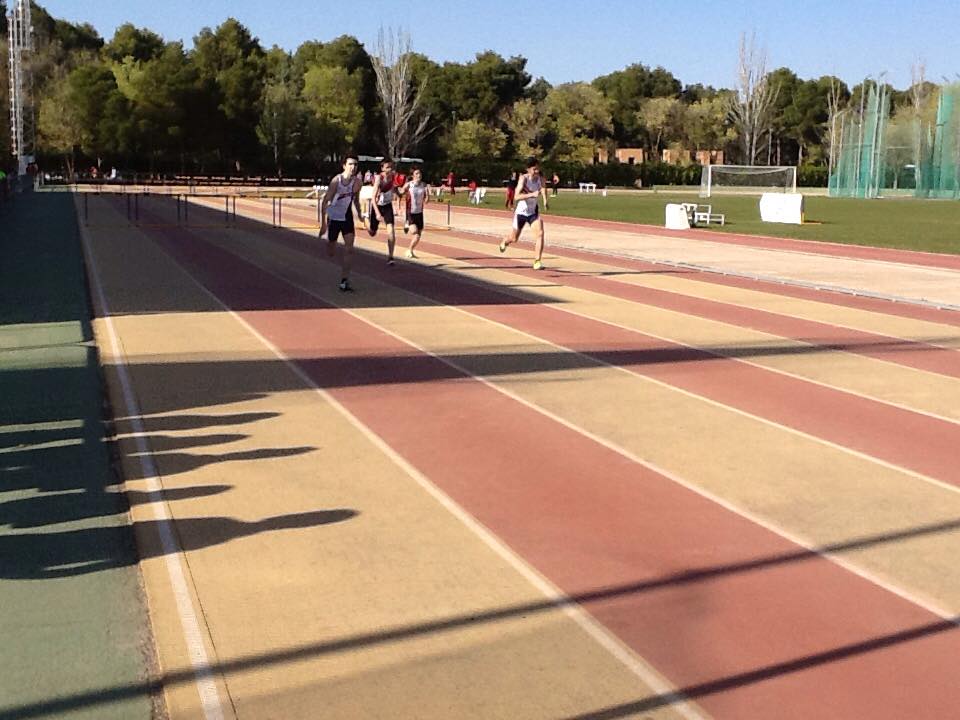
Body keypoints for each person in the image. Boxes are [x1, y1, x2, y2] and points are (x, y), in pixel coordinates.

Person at [318, 155, 363, 292]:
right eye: (350, 164)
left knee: (349, 249)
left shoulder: (357, 183)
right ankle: (330, 242)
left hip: (346, 217)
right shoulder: (336, 181)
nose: (353, 167)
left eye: (355, 164)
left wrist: (360, 215)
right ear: (344, 166)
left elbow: (355, 200)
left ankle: (344, 280)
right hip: (333, 216)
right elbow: (325, 201)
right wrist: (324, 224)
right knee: (331, 249)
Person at [499, 157, 548, 270]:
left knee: (540, 234)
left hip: (533, 212)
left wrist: (545, 200)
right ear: (528, 169)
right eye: (534, 169)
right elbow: (516, 197)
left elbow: (544, 188)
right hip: (521, 213)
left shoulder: (540, 178)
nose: (536, 171)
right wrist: (531, 195)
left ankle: (537, 261)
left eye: (537, 169)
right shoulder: (523, 179)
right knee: (514, 239)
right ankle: (505, 241)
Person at [368, 158, 398, 264]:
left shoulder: (393, 176)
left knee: (391, 231)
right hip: (377, 206)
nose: (389, 169)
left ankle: (390, 257)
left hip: (387, 206)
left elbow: (395, 190)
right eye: (387, 167)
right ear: (382, 168)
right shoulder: (378, 178)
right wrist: (377, 213)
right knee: (372, 232)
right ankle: (368, 224)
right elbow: (373, 198)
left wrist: (399, 193)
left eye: (390, 167)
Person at [402, 166, 430, 258]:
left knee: (419, 234)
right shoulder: (408, 185)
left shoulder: (424, 185)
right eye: (417, 173)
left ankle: (411, 250)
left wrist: (427, 194)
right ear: (413, 175)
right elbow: (400, 194)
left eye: (420, 173)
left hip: (419, 213)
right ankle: (409, 250)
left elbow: (426, 201)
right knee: (416, 234)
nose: (419, 175)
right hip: (410, 212)